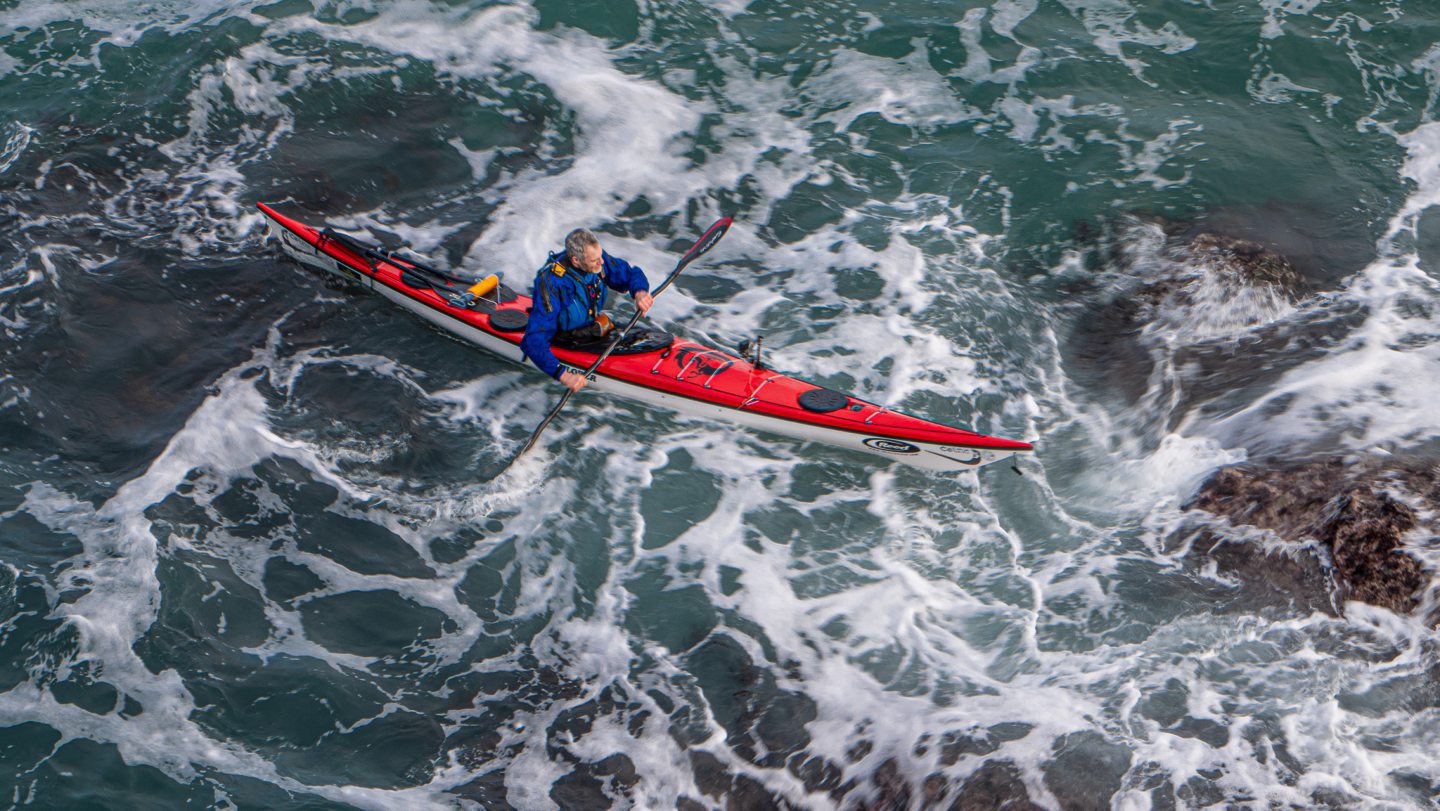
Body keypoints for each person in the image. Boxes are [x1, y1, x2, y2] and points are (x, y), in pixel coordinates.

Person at [520, 228, 654, 393]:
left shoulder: (597, 260)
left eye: (600, 257)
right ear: (576, 260)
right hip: (565, 338)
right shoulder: (552, 283)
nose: (601, 262)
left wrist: (640, 293)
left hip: (592, 329)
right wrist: (564, 375)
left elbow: (631, 273)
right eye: (595, 260)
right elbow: (533, 342)